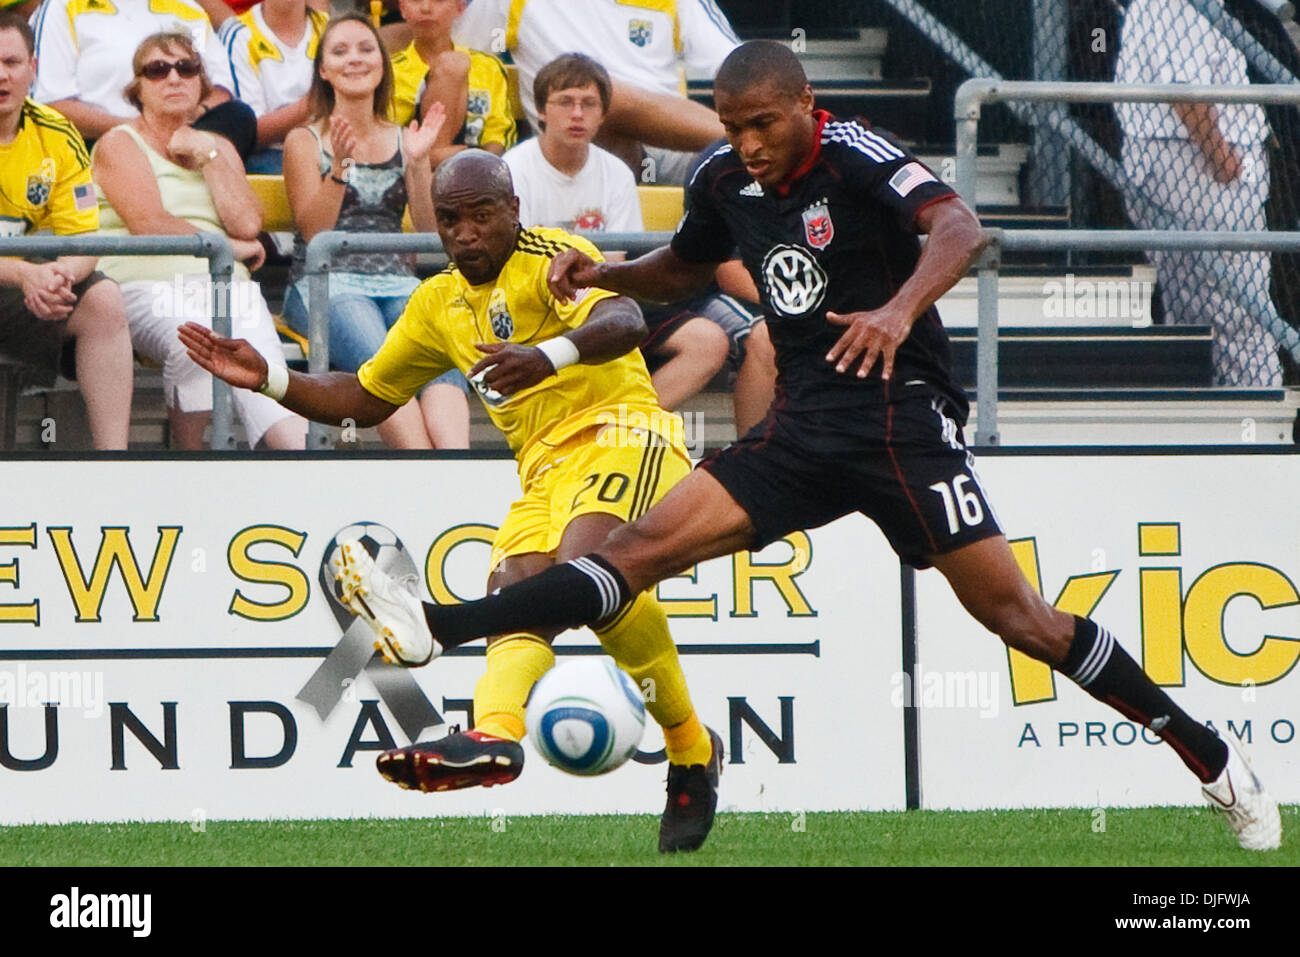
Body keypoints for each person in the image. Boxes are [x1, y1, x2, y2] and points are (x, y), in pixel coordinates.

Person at [314, 40, 1282, 852]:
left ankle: (1210, 757)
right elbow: (682, 266)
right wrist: (602, 268)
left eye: (762, 126)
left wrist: (901, 309)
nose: (747, 146)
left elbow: (961, 225)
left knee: (1021, 620)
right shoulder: (724, 175)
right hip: (803, 427)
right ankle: (438, 627)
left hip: (901, 421)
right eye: (732, 128)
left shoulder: (855, 154)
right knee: (626, 554)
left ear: (804, 106)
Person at [179, 148, 725, 854]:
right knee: (518, 583)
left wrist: (550, 354)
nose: (465, 233)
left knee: (582, 566)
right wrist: (271, 378)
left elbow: (624, 321)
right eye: (450, 220)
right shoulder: (437, 303)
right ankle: (502, 738)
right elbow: (367, 397)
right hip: (541, 466)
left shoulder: (554, 256)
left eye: (481, 215)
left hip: (623, 431)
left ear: (513, 211)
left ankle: (671, 745)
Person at [505, 53, 773, 429]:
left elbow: (612, 260)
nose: (577, 114)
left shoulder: (615, 172)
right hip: (535, 300)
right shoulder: (514, 168)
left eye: (589, 104)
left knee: (709, 341)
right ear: (541, 110)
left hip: (602, 291)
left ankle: (610, 429)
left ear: (604, 114)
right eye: (565, 102)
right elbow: (521, 261)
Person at [93, 30, 306, 450]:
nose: (173, 78)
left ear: (200, 84)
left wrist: (208, 156)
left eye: (185, 68)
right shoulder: (119, 143)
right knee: (200, 343)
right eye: (157, 70)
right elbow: (149, 223)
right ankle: (193, 464)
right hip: (146, 283)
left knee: (265, 366)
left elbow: (246, 223)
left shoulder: (217, 147)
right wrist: (223, 246)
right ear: (137, 88)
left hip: (226, 285)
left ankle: (305, 468)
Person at [282, 13, 470, 450]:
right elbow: (314, 233)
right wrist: (341, 169)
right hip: (325, 283)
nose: (355, 60)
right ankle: (422, 474)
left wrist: (420, 163)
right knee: (386, 361)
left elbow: (428, 232)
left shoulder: (406, 137)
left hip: (398, 281)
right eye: (340, 51)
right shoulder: (304, 140)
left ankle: (457, 471)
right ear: (323, 70)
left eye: (366, 50)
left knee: (442, 355)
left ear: (383, 65)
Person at [1115, 0, 1284, 387]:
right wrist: (1221, 156)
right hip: (1193, 167)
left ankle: (1226, 425)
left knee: (1202, 315)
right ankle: (1258, 428)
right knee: (1239, 314)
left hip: (1190, 165)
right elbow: (1185, 88)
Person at [0, 10, 132, 450]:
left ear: (33, 69)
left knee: (103, 300)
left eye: (12, 63)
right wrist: (27, 275)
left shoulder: (57, 135)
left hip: (24, 288)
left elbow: (85, 242)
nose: (1, 76)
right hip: (18, 279)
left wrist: (59, 276)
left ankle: (112, 467)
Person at [452, 0, 738, 184]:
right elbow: (450, 43)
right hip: (574, 145)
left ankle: (744, 139)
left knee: (748, 169)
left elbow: (741, 66)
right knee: (597, 94)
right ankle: (743, 136)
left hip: (675, 147)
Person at [30, 0, 257, 157]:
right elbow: (52, 104)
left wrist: (192, 118)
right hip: (101, 143)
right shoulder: (61, 6)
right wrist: (141, 132)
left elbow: (221, 89)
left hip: (185, 141)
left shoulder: (188, 8)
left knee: (239, 116)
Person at [388, 0, 514, 167]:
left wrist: (480, 168)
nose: (426, 8)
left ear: (460, 8)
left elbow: (499, 133)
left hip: (476, 169)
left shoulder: (488, 67)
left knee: (454, 63)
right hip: (411, 170)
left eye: (439, 0)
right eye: (416, 0)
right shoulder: (389, 72)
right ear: (403, 9)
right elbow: (385, 138)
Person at [220, 0, 330, 173]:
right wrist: (315, 102)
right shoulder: (239, 35)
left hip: (332, 149)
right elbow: (248, 135)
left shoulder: (330, 29)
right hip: (272, 155)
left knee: (356, 172)